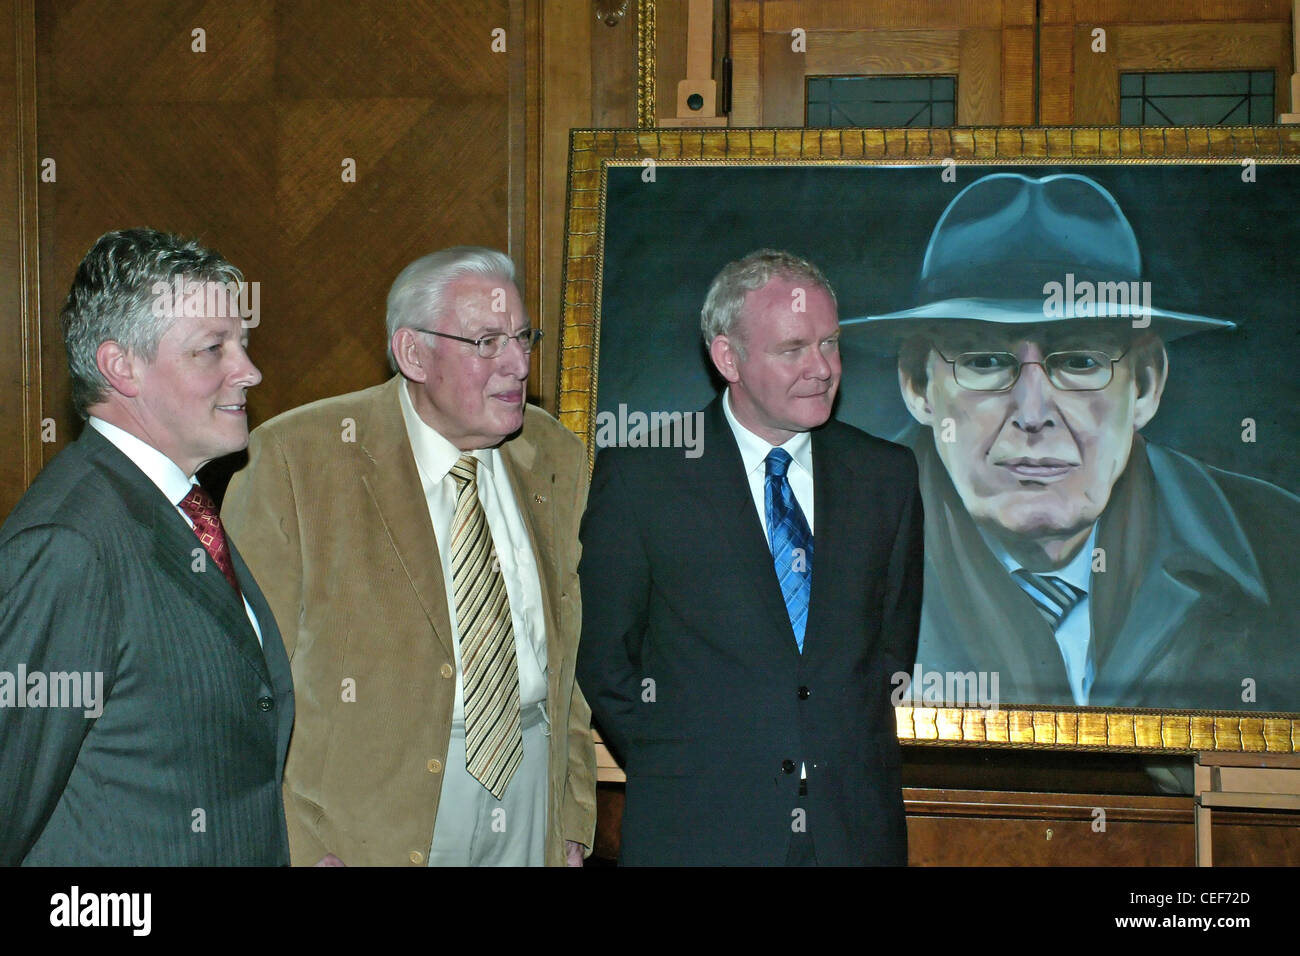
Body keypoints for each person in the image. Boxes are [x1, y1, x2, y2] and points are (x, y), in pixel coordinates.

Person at [844, 172, 1300, 712]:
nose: (1033, 414)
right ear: (919, 387)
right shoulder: (827, 547)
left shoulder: (1281, 545)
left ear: (1147, 385)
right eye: (985, 362)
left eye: (1081, 361)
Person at [222, 246, 596, 866]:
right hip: (369, 819)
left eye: (523, 337)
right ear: (413, 353)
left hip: (531, 793)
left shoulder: (553, 453)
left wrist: (573, 814)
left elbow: (568, 653)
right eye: (486, 342)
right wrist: (297, 842)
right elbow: (243, 686)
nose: (517, 362)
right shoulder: (294, 459)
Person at [577, 249, 924, 866]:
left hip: (852, 834)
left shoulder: (886, 476)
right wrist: (688, 764)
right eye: (793, 348)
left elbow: (889, 651)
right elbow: (606, 661)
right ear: (727, 357)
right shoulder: (643, 477)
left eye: (830, 343)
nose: (821, 368)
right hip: (698, 833)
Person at [0, 228, 292, 865]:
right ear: (120, 367)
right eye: (212, 349)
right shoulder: (68, 545)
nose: (249, 371)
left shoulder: (180, 505)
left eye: (242, 343)